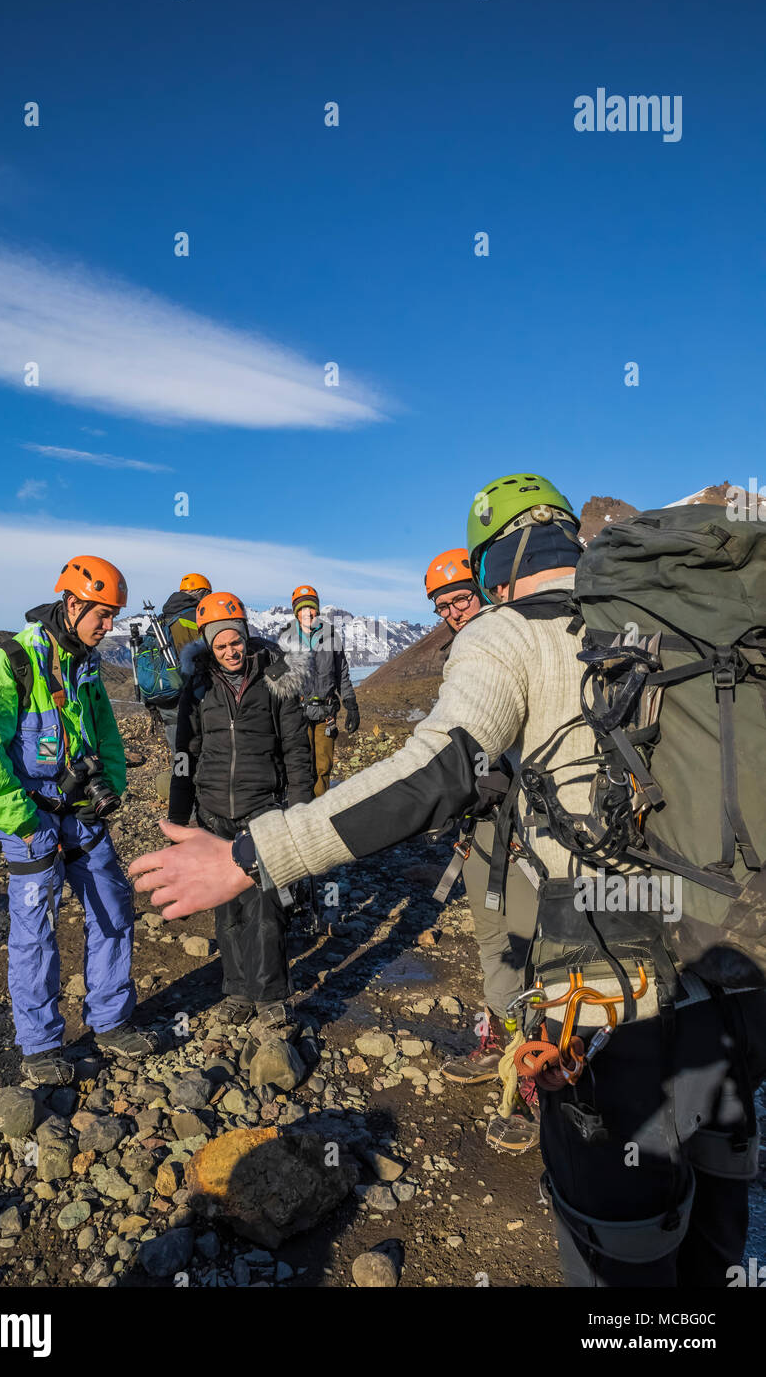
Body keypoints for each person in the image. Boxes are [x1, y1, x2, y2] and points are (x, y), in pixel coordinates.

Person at [130, 473, 766, 1290]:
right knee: (719, 1207)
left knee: (622, 1243)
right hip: (731, 957)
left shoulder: (510, 633)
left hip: (611, 974)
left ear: (494, 565)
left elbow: (435, 770)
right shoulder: (672, 620)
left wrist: (252, 855)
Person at [0, 555, 160, 1086]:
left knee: (114, 909)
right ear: (72, 604)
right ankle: (41, 1044)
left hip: (84, 815)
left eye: (113, 615)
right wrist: (22, 821)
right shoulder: (12, 663)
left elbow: (106, 737)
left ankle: (111, 1021)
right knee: (35, 932)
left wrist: (109, 787)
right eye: (104, 614)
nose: (109, 625)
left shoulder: (85, 664)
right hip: (31, 822)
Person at [424, 549, 540, 1153]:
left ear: (485, 592)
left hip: (529, 828)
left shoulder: (523, 643)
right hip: (481, 827)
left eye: (460, 599)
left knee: (535, 944)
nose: (452, 612)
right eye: (443, 606)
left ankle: (536, 1072)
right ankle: (499, 1039)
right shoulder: (459, 659)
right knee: (493, 935)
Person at [167, 590, 314, 1036]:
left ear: (246, 636)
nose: (230, 651)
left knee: (266, 905)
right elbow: (185, 751)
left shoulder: (276, 680)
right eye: (220, 644)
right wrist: (179, 812)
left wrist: (301, 810)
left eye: (235, 641)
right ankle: (235, 990)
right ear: (209, 645)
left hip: (263, 809)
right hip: (212, 811)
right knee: (226, 906)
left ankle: (270, 996)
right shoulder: (197, 685)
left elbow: (296, 750)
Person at [278, 584, 359, 797]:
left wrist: (351, 703)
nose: (308, 613)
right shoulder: (286, 638)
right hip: (298, 716)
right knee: (301, 767)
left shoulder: (331, 636)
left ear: (317, 610)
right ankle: (300, 810)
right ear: (296, 612)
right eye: (303, 609)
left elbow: (342, 673)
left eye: (311, 608)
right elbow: (279, 679)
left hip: (326, 714)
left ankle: (319, 811)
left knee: (323, 767)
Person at [153, 572, 212, 756]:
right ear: (202, 593)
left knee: (180, 757)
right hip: (193, 697)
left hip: (165, 697)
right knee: (200, 754)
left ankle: (179, 781)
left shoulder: (161, 619)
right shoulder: (197, 618)